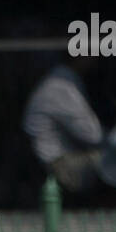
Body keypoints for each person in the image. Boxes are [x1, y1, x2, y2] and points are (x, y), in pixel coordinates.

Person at [22, 58, 104, 194]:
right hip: (56, 164)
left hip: (55, 158)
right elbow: (93, 135)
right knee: (110, 159)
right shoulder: (62, 86)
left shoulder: (60, 79)